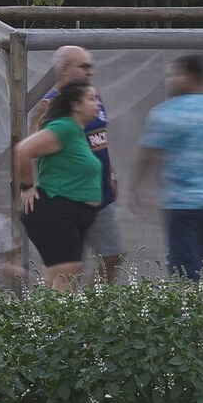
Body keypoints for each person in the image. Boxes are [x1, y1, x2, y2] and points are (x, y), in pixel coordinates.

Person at [135, 54, 203, 279]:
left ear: (189, 76)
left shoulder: (167, 113)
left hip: (182, 204)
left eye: (174, 75)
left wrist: (134, 189)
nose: (169, 80)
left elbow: (148, 153)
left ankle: (191, 313)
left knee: (185, 274)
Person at [32, 46, 125, 283]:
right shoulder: (48, 106)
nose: (89, 71)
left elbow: (99, 140)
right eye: (83, 66)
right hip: (69, 196)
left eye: (90, 66)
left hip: (101, 193)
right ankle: (55, 314)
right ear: (64, 69)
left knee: (113, 255)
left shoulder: (93, 98)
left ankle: (93, 310)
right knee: (67, 267)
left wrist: (111, 174)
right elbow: (36, 153)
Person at [15, 80, 106, 292]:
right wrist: (27, 186)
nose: (98, 104)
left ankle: (43, 322)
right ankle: (62, 325)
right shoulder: (64, 127)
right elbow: (23, 150)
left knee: (59, 275)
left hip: (72, 212)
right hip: (56, 209)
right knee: (68, 275)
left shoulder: (75, 131)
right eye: (91, 99)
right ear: (76, 104)